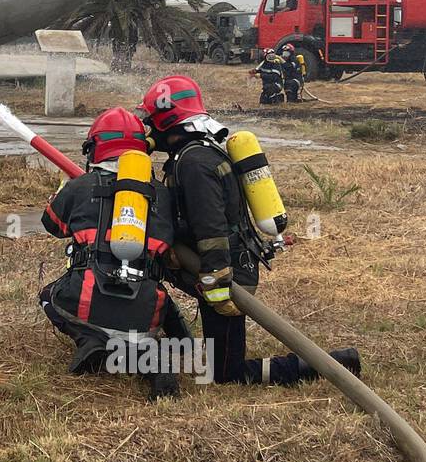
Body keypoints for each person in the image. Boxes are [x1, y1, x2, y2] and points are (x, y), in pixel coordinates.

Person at [136, 75, 361, 385]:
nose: (149, 128)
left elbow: (210, 227)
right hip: (219, 266)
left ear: (166, 120)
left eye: (151, 120)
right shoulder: (197, 153)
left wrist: (217, 284)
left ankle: (335, 363)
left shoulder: (194, 163)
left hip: (225, 273)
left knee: (227, 375)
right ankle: (169, 337)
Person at [39, 107, 190, 399]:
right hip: (146, 310)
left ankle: (90, 339)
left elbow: (52, 225)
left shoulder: (80, 186)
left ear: (95, 148)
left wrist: (64, 188)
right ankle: (150, 355)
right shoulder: (161, 195)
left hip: (85, 301)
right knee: (152, 300)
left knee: (48, 295)